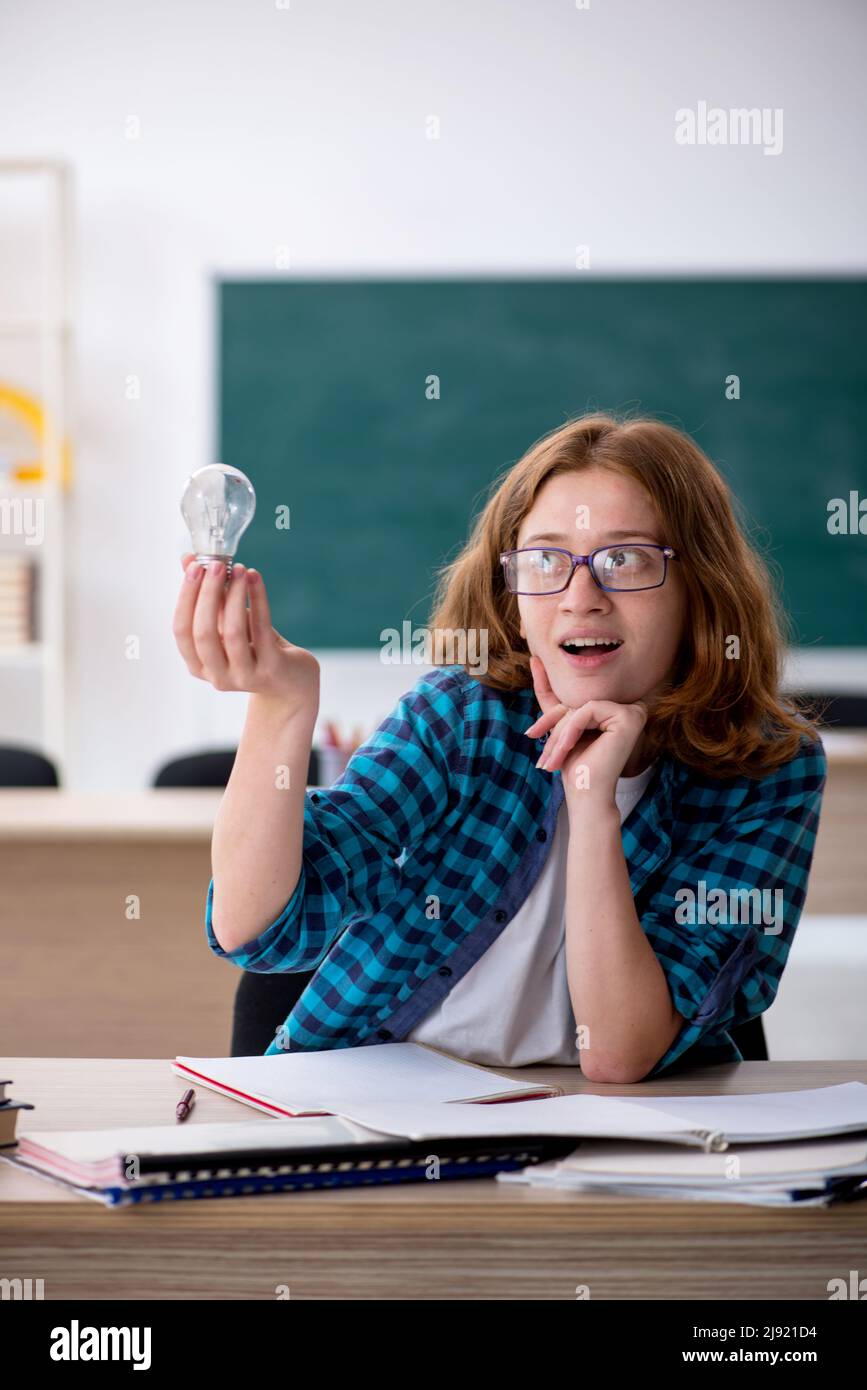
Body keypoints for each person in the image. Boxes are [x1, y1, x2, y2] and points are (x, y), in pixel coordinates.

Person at [172, 413, 826, 1082]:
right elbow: (254, 928)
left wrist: (589, 802)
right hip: (383, 1111)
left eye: (622, 559)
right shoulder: (461, 717)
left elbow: (619, 1053)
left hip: (624, 1133)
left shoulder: (769, 769)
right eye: (544, 559)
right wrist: (280, 707)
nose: (579, 598)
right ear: (511, 593)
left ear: (700, 585)